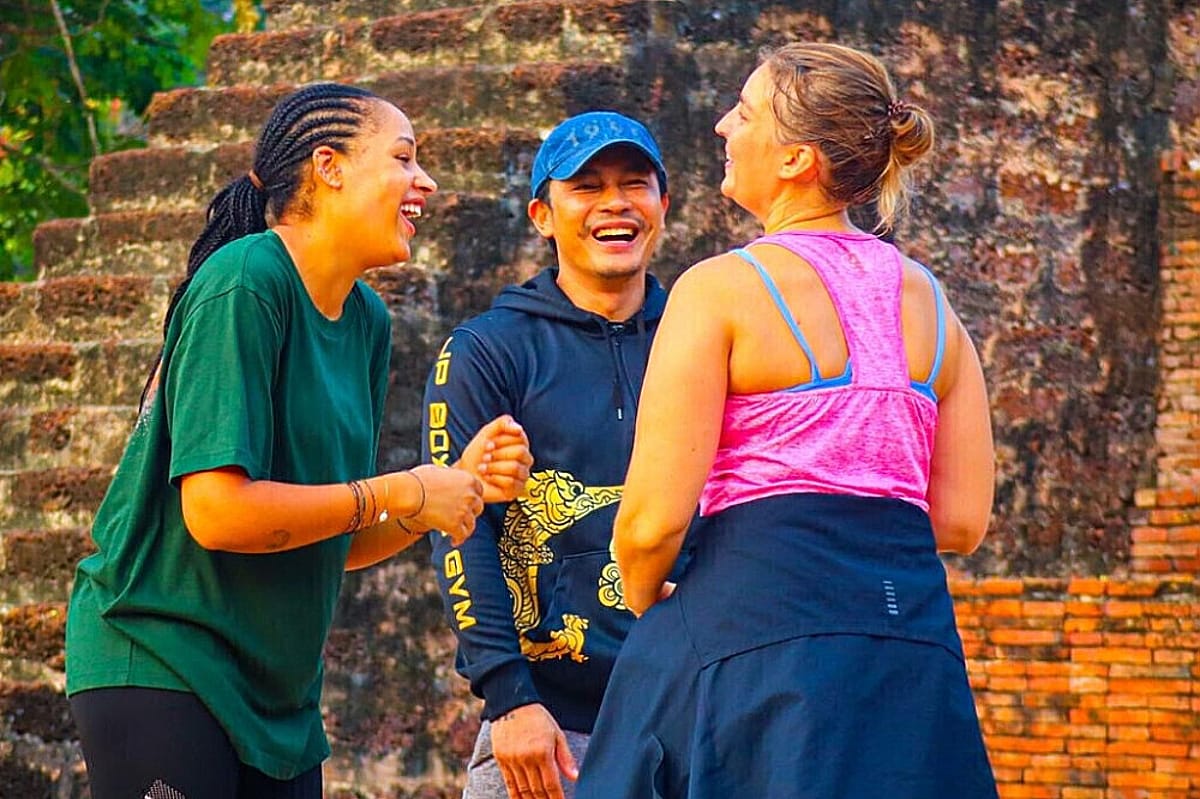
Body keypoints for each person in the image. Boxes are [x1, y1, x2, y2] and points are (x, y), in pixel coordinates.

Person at [64, 82, 532, 799]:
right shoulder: (246, 280)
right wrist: (403, 489)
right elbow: (218, 513)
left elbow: (338, 535)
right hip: (161, 657)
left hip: (277, 695)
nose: (425, 182)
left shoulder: (367, 320)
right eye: (403, 158)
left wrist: (438, 497)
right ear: (329, 167)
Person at [574, 42, 999, 799]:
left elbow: (649, 524)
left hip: (757, 644)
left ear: (797, 158)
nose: (722, 126)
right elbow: (961, 521)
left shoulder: (721, 290)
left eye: (744, 113)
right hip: (909, 648)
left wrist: (644, 600)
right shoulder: (932, 304)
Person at [421, 110, 675, 799]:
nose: (615, 203)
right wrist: (509, 697)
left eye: (634, 184)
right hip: (549, 729)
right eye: (586, 187)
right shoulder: (488, 349)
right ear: (543, 215)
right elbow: (458, 531)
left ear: (663, 204)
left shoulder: (699, 337)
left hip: (690, 716)